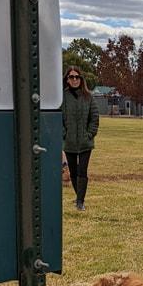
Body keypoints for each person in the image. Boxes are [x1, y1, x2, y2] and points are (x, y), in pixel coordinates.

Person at [62, 67, 99, 211]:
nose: (75, 80)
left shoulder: (88, 97)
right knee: (73, 172)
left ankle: (80, 202)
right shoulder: (62, 97)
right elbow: (58, 118)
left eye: (77, 77)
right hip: (70, 142)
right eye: (71, 77)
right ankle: (79, 197)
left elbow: (94, 118)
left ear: (81, 79)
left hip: (85, 142)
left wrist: (89, 134)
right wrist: (64, 133)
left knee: (82, 171)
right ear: (67, 79)